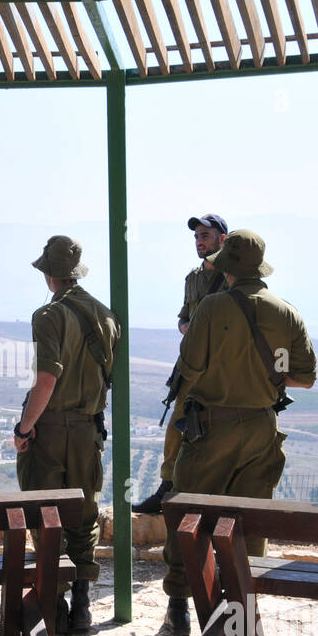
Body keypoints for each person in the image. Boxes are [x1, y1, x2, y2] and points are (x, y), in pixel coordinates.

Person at [159, 230, 316, 636]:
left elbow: (189, 366)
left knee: (187, 512)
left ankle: (178, 606)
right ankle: (241, 611)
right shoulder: (286, 312)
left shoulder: (210, 308)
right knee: (246, 523)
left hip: (212, 428)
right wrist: (264, 375)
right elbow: (305, 376)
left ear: (227, 268)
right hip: (263, 428)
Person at [13, 236, 119, 635]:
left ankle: (54, 603)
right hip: (89, 429)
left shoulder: (48, 315)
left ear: (47, 273)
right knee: (83, 513)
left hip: (51, 428)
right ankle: (83, 604)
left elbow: (46, 381)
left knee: (46, 515)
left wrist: (25, 428)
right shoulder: (106, 316)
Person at [133, 213, 229, 515]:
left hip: (223, 367)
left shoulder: (233, 277)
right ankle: (168, 486)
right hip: (192, 363)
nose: (200, 242)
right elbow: (183, 319)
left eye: (206, 236)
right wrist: (189, 327)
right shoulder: (193, 278)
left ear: (222, 239)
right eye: (197, 237)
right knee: (178, 422)